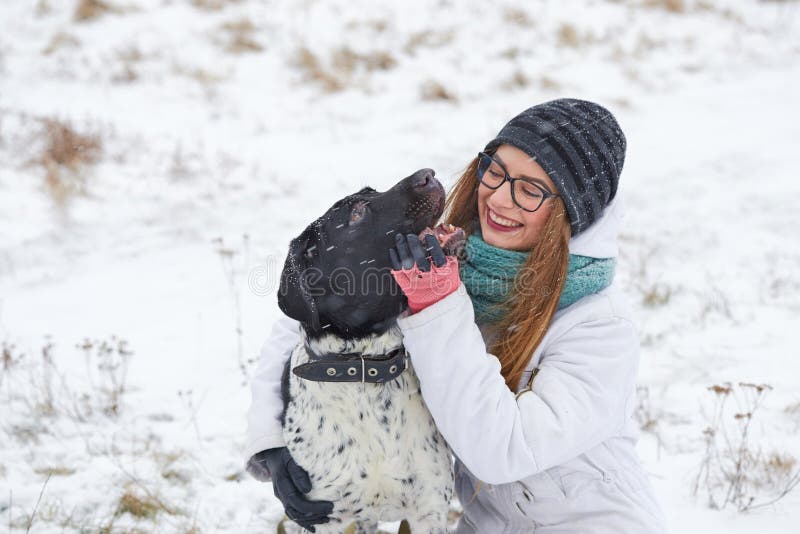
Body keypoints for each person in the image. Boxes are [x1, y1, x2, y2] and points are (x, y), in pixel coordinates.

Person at [245, 98, 667, 533]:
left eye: (530, 189)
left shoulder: (600, 329)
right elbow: (316, 312)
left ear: (570, 211)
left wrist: (437, 305)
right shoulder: (454, 252)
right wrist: (270, 442)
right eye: (496, 171)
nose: (500, 199)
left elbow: (500, 451)